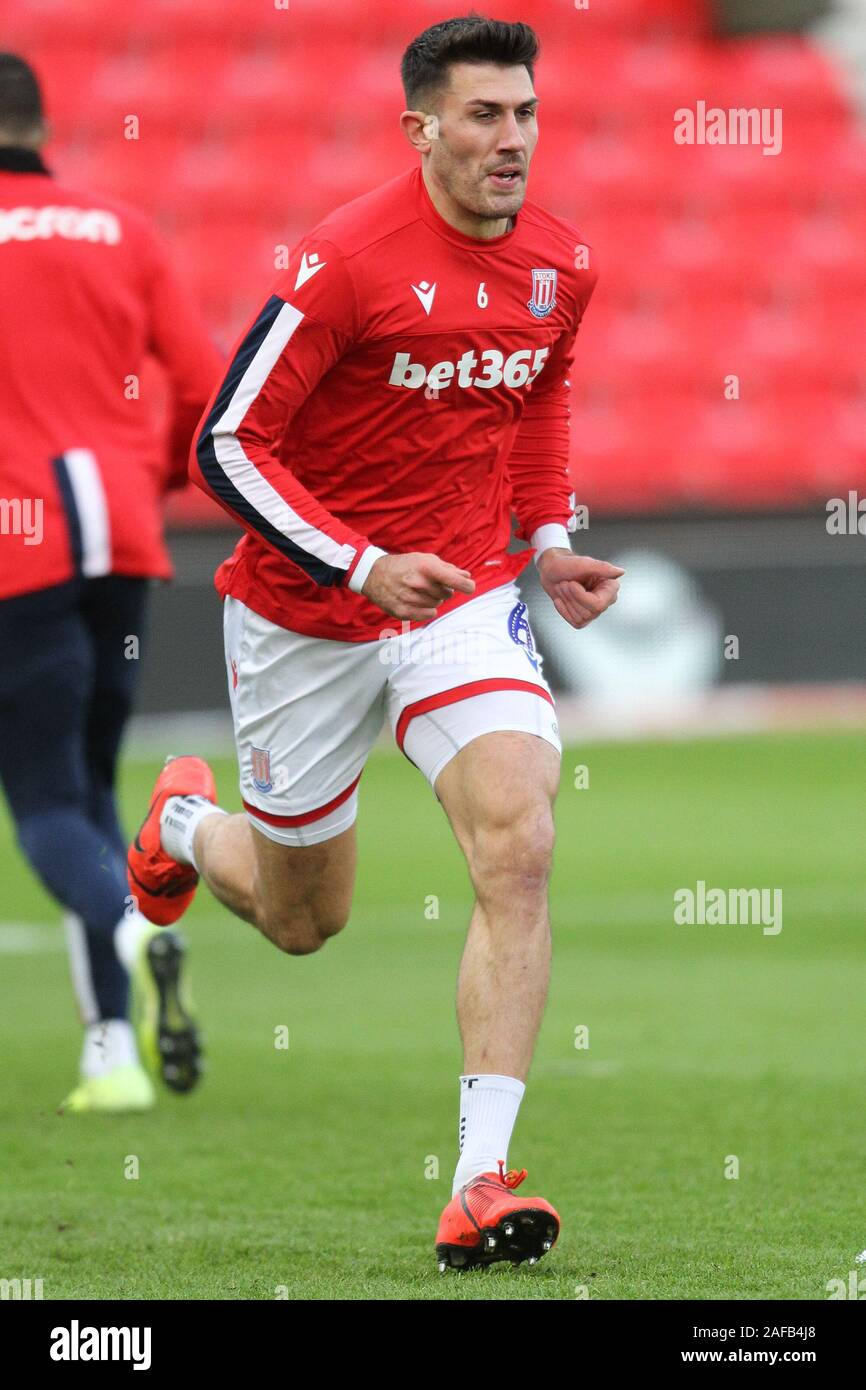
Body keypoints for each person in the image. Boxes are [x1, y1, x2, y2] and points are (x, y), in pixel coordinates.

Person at [128, 16, 623, 1266]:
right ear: (420, 129)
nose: (510, 140)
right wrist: (355, 561)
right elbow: (225, 444)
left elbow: (541, 387)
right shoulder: (343, 261)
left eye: (523, 113)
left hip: (457, 590)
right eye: (481, 117)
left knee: (520, 841)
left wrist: (548, 533)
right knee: (303, 922)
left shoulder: (561, 263)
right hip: (306, 608)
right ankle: (184, 825)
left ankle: (480, 1177)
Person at [0, 53, 222, 1113]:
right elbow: (201, 380)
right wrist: (164, 474)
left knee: (40, 797)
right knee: (88, 788)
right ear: (40, 121)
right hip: (119, 535)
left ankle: (135, 926)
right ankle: (110, 1055)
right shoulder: (122, 229)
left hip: (16, 543)